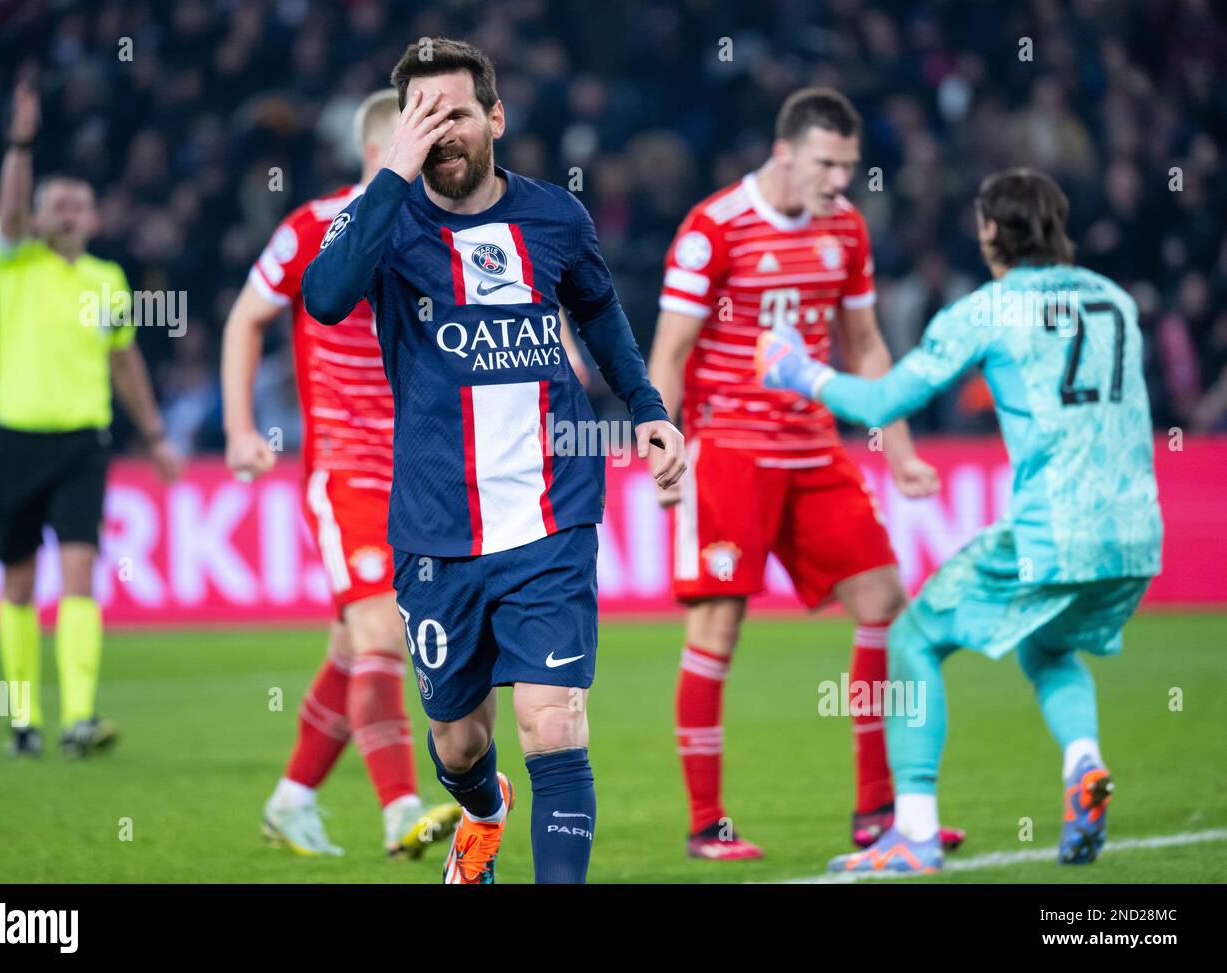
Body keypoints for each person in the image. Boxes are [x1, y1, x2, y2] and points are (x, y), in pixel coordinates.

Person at [302, 38, 686, 884]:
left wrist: (651, 412)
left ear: (495, 118)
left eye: (456, 113)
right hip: (437, 523)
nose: (442, 131)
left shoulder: (555, 217)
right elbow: (324, 299)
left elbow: (600, 315)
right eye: (422, 116)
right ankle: (482, 810)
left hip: (552, 513)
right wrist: (391, 174)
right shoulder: (384, 216)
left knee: (554, 723)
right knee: (459, 737)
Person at [757, 168, 1163, 873]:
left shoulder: (987, 310)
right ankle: (1084, 764)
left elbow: (882, 401)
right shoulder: (1117, 301)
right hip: (1137, 529)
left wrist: (799, 372)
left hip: (1056, 529)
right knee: (1046, 647)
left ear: (988, 232)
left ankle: (913, 829)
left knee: (913, 636)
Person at [646, 87, 962, 858]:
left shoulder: (847, 228)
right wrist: (663, 448)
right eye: (828, 162)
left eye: (849, 165)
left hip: (814, 446)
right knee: (719, 622)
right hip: (729, 452)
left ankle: (875, 809)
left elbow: (866, 345)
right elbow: (669, 352)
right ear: (785, 152)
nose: (840, 180)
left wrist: (901, 447)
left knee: (885, 599)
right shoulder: (713, 229)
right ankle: (705, 823)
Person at [222, 89, 460, 860]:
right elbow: (245, 318)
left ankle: (291, 799)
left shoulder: (439, 231)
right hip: (347, 468)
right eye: (420, 148)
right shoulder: (313, 228)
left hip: (423, 471)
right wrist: (237, 428)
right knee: (382, 627)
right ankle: (401, 811)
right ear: (377, 152)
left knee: (353, 644)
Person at [0, 83, 181, 758]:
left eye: (78, 205)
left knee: (78, 570)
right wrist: (20, 144)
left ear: (95, 218)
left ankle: (78, 718)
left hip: (81, 442)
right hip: (13, 437)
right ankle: (21, 721)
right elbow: (9, 211)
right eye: (56, 204)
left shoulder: (107, 279)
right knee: (16, 580)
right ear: (39, 213)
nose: (67, 213)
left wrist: (154, 435)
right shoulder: (12, 257)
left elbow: (125, 364)